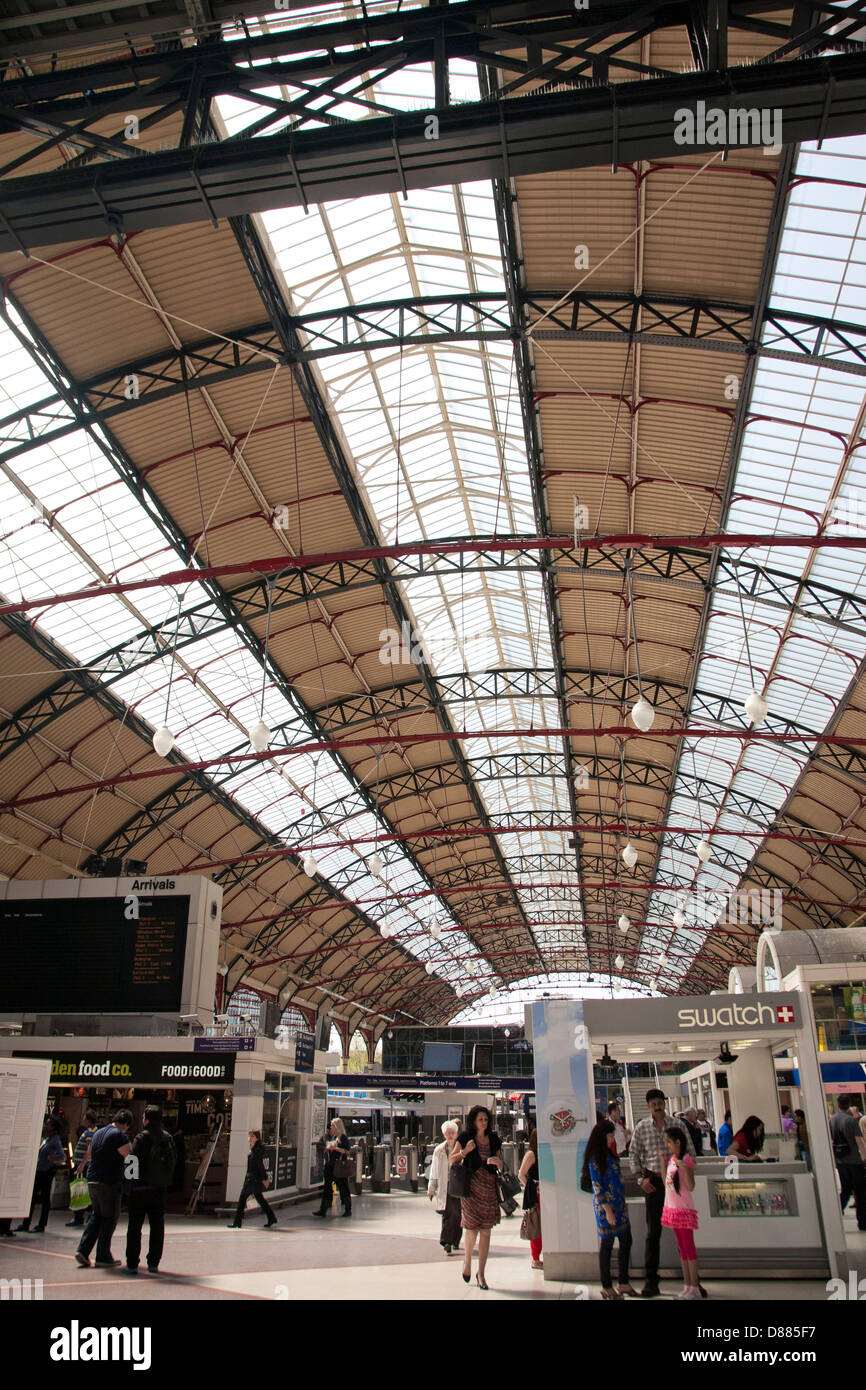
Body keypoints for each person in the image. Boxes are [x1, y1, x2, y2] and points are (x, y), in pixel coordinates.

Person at [629, 1088, 697, 1299]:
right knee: (653, 1231)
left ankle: (692, 1282)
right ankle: (651, 1280)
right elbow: (634, 1153)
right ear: (648, 1106)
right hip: (654, 1182)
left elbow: (691, 1151)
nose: (657, 1107)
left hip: (676, 1182)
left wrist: (684, 1169)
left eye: (660, 1103)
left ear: (664, 1103)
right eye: (653, 1104)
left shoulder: (677, 1125)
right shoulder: (642, 1127)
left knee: (683, 1232)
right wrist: (641, 1178)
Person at [582, 1119, 637, 1300]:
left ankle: (623, 1282)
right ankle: (607, 1286)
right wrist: (608, 1210)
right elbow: (597, 1185)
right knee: (607, 1245)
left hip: (619, 1206)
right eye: (611, 1135)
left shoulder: (611, 1156)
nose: (613, 1139)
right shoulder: (595, 1159)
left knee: (626, 1241)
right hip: (606, 1208)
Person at [450, 1104, 503, 1290]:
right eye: (480, 1119)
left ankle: (481, 1273)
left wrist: (498, 1162)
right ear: (473, 1121)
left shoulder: (494, 1139)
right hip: (470, 1188)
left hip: (488, 1187)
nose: (484, 1122)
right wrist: (466, 1151)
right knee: (471, 1229)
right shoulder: (465, 1137)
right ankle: (467, 1263)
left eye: (486, 1119)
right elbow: (452, 1159)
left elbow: (501, 1164)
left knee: (486, 1231)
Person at [75, 1109, 133, 1268]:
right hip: (109, 1182)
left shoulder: (98, 1133)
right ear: (126, 1124)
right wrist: (133, 1181)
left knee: (97, 1215)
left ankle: (83, 1250)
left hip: (92, 1180)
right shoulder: (119, 1135)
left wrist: (82, 1167)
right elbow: (130, 1157)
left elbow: (88, 1155)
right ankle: (103, 1255)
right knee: (109, 1218)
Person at [124, 1105, 176, 1274]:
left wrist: (129, 1186)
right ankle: (153, 1262)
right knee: (157, 1226)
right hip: (159, 1190)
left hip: (139, 1190)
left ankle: (132, 1263)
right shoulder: (168, 1138)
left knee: (134, 1227)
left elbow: (131, 1163)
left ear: (146, 1119)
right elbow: (174, 1162)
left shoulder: (141, 1138)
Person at [662, 1126, 702, 1300]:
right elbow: (667, 1183)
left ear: (677, 1142)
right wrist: (663, 1164)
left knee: (689, 1248)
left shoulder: (686, 1160)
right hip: (673, 1208)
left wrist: (685, 1168)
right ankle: (687, 1285)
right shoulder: (672, 1159)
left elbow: (691, 1186)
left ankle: (694, 1286)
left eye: (669, 1142)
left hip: (684, 1209)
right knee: (682, 1249)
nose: (667, 1145)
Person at [17, 1117, 66, 1233]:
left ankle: (40, 1224)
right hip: (40, 1170)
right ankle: (26, 1223)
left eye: (48, 1125)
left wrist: (52, 1159)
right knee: (33, 1197)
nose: (45, 1126)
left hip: (46, 1172)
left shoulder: (55, 1141)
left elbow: (61, 1155)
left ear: (53, 1128)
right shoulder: (46, 1140)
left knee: (43, 1198)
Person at [229, 1129, 277, 1228]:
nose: (250, 1138)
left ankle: (237, 1223)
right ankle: (272, 1217)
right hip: (252, 1179)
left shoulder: (257, 1151)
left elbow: (260, 1166)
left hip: (253, 1180)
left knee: (242, 1199)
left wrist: (265, 1179)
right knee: (260, 1199)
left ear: (257, 1139)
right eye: (250, 1136)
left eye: (252, 1136)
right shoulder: (254, 1150)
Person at [831, 1095, 866, 1230]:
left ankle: (836, 1214)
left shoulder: (832, 1120)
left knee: (845, 1189)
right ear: (848, 1104)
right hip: (854, 1160)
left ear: (838, 1104)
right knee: (860, 1191)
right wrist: (864, 1157)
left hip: (840, 1160)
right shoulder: (851, 1120)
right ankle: (862, 1221)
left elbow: (831, 1141)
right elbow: (859, 1141)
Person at [428, 1120, 462, 1256]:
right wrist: (431, 1189)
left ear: (456, 1134)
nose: (450, 1135)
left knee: (458, 1214)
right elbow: (434, 1171)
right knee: (448, 1214)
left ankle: (455, 1240)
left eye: (453, 1133)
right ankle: (446, 1242)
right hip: (445, 1186)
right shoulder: (439, 1150)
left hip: (458, 1185)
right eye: (448, 1133)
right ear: (444, 1134)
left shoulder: (461, 1149)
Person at [313, 1117, 352, 1218]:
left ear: (337, 1127)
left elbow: (347, 1151)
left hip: (339, 1165)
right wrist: (328, 1148)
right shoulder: (332, 1137)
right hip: (330, 1165)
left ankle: (348, 1209)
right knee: (327, 1187)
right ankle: (323, 1209)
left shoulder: (342, 1137)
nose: (330, 1128)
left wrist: (336, 1148)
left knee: (343, 1187)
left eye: (332, 1126)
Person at [67, 1110, 99, 1227]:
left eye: (85, 1119)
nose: (83, 1121)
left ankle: (79, 1216)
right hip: (84, 1165)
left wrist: (81, 1164)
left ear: (89, 1120)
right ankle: (81, 1216)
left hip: (84, 1166)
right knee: (84, 1190)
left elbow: (89, 1149)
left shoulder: (90, 1132)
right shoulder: (90, 1131)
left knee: (81, 1190)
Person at [517, 1128, 542, 1270]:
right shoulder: (531, 1154)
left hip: (544, 1193)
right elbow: (521, 1174)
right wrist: (531, 1187)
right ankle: (535, 1258)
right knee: (536, 1225)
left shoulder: (542, 1153)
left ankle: (539, 1256)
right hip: (535, 1195)